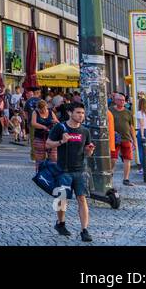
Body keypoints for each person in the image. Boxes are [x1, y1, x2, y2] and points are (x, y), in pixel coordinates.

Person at [46, 102, 96, 241]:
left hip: (80, 170)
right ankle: (60, 223)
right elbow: (48, 144)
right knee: (61, 199)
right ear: (70, 113)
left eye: (82, 113)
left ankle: (84, 230)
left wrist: (89, 150)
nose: (81, 115)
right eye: (78, 113)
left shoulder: (85, 131)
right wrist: (61, 141)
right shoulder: (60, 127)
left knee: (82, 199)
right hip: (63, 170)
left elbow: (87, 152)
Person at [110, 92, 135, 186]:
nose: (122, 102)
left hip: (126, 138)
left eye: (123, 100)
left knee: (127, 159)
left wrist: (134, 141)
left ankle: (126, 179)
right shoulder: (110, 110)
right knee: (113, 158)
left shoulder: (128, 112)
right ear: (115, 100)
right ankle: (110, 174)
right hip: (114, 139)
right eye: (120, 100)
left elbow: (131, 127)